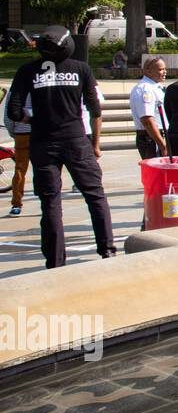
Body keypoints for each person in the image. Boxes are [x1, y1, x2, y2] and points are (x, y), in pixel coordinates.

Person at [5, 26, 115, 268]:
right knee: (95, 195)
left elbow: (13, 110)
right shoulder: (81, 69)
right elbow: (94, 108)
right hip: (76, 139)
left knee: (50, 203)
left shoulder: (27, 71)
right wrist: (95, 143)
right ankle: (106, 248)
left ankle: (55, 260)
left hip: (43, 141)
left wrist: (33, 118)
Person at [129, 55, 168, 159]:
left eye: (165, 69)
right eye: (160, 69)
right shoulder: (146, 89)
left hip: (158, 136)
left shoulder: (155, 87)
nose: (164, 72)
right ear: (148, 71)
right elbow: (147, 120)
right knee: (156, 173)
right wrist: (162, 145)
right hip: (151, 138)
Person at [2, 86, 31, 217]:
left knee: (19, 170)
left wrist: (13, 132)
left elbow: (8, 116)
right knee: (47, 169)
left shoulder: (16, 88)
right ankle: (50, 201)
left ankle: (16, 204)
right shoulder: (44, 84)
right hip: (42, 133)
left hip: (21, 133)